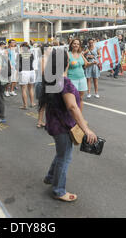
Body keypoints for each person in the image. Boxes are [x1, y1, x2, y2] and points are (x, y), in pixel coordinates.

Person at [39, 48, 97, 202]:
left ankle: (50, 177)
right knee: (64, 157)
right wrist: (86, 129)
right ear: (66, 63)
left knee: (61, 154)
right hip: (63, 126)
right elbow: (72, 107)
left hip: (54, 123)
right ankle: (58, 190)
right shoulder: (65, 83)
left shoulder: (51, 79)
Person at [67, 38, 89, 112]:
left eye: (78, 44)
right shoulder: (68, 54)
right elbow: (65, 68)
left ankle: (80, 117)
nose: (76, 45)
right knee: (72, 101)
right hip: (72, 79)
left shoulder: (80, 54)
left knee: (80, 99)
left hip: (82, 78)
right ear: (71, 44)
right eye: (74, 43)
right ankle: (72, 119)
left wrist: (94, 63)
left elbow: (86, 64)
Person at [18, 42, 36, 110]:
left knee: (23, 89)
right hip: (31, 71)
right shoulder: (31, 54)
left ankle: (25, 105)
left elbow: (18, 65)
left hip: (24, 72)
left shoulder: (20, 55)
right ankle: (32, 103)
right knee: (31, 88)